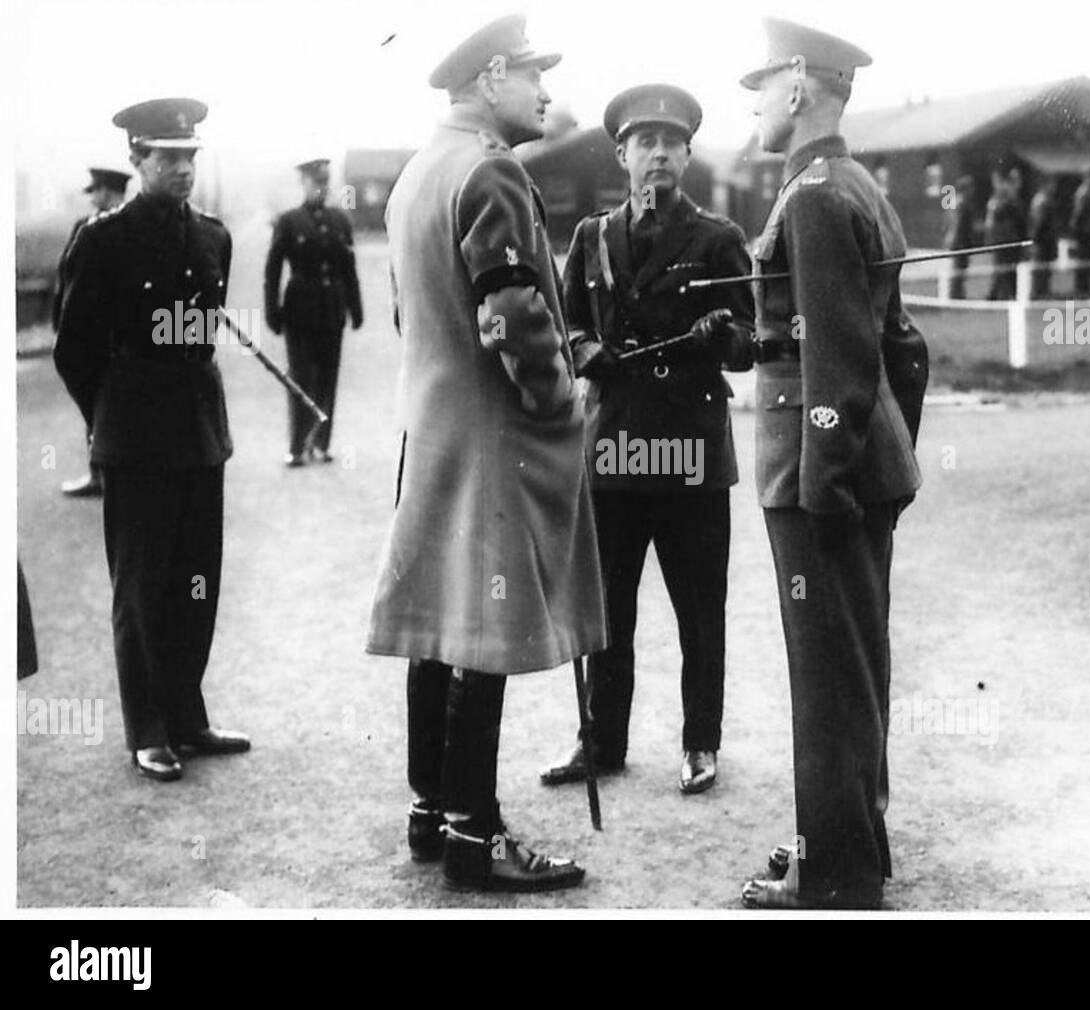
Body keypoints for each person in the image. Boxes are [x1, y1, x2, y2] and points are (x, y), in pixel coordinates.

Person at [367, 13, 606, 893]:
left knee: (440, 619)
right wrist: (562, 396)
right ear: (494, 74)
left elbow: (408, 313)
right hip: (492, 436)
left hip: (430, 426)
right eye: (535, 73)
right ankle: (476, 835)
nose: (546, 91)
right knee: (484, 630)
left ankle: (430, 811)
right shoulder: (490, 168)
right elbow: (508, 315)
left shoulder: (415, 175)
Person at [737, 17, 927, 909]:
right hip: (858, 462)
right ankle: (855, 840)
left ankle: (836, 871)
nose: (757, 100)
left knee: (826, 679)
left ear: (802, 84)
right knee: (856, 663)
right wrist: (887, 454)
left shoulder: (813, 193)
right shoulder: (853, 182)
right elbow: (904, 350)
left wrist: (826, 481)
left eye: (764, 83)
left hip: (818, 472)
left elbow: (839, 358)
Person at [538, 84, 755, 796]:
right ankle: (600, 741)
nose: (657, 154)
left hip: (690, 451)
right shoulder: (592, 238)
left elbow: (750, 345)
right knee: (608, 610)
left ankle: (700, 744)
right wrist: (583, 349)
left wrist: (727, 337)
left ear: (688, 154)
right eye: (643, 143)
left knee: (700, 609)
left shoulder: (719, 239)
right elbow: (563, 325)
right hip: (616, 451)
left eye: (671, 143)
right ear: (623, 155)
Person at [53, 98, 250, 782]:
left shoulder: (213, 237)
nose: (182, 169)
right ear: (137, 161)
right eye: (167, 158)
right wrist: (106, 421)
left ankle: (187, 716)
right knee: (142, 588)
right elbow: (74, 349)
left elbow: (205, 334)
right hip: (136, 437)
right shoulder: (104, 240)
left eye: (190, 156)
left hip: (199, 432)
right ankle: (148, 729)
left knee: (197, 580)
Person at [263, 158, 363, 466]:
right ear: (303, 184)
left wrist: (355, 308)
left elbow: (349, 269)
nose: (320, 188)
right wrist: (272, 312)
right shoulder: (288, 221)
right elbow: (273, 270)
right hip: (299, 311)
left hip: (332, 308)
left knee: (328, 379)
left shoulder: (340, 220)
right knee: (301, 378)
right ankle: (297, 445)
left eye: (324, 183)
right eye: (314, 183)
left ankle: (321, 443)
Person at [53, 167, 131, 498]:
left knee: (117, 405)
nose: (93, 197)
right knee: (93, 405)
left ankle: (114, 474)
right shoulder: (83, 228)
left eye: (96, 190)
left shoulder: (129, 229)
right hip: (88, 335)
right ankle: (98, 473)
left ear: (110, 192)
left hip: (117, 336)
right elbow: (66, 278)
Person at [984, 170, 1025, 300]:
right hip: (1004, 241)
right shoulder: (1000, 203)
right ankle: (997, 295)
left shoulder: (1006, 202)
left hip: (1009, 241)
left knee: (1006, 270)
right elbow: (992, 224)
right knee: (1003, 270)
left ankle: (999, 295)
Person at [943, 174, 977, 299]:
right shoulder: (962, 204)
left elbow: (948, 221)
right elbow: (958, 224)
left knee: (958, 268)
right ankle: (956, 294)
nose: (973, 191)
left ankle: (956, 293)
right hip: (960, 241)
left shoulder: (953, 201)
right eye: (971, 188)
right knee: (959, 269)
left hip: (955, 240)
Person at [1069, 170, 1090, 295]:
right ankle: (1082, 288)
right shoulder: (1084, 193)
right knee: (1083, 260)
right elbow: (1079, 214)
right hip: (1084, 233)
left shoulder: (1087, 192)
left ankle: (1084, 286)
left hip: (1086, 232)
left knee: (1086, 260)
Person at [1028, 177, 1058, 299]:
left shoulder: (1043, 200)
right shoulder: (1042, 201)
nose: (1054, 187)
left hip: (1044, 241)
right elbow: (1039, 223)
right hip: (1042, 242)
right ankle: (1038, 294)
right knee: (1040, 269)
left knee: (1044, 270)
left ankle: (1042, 292)